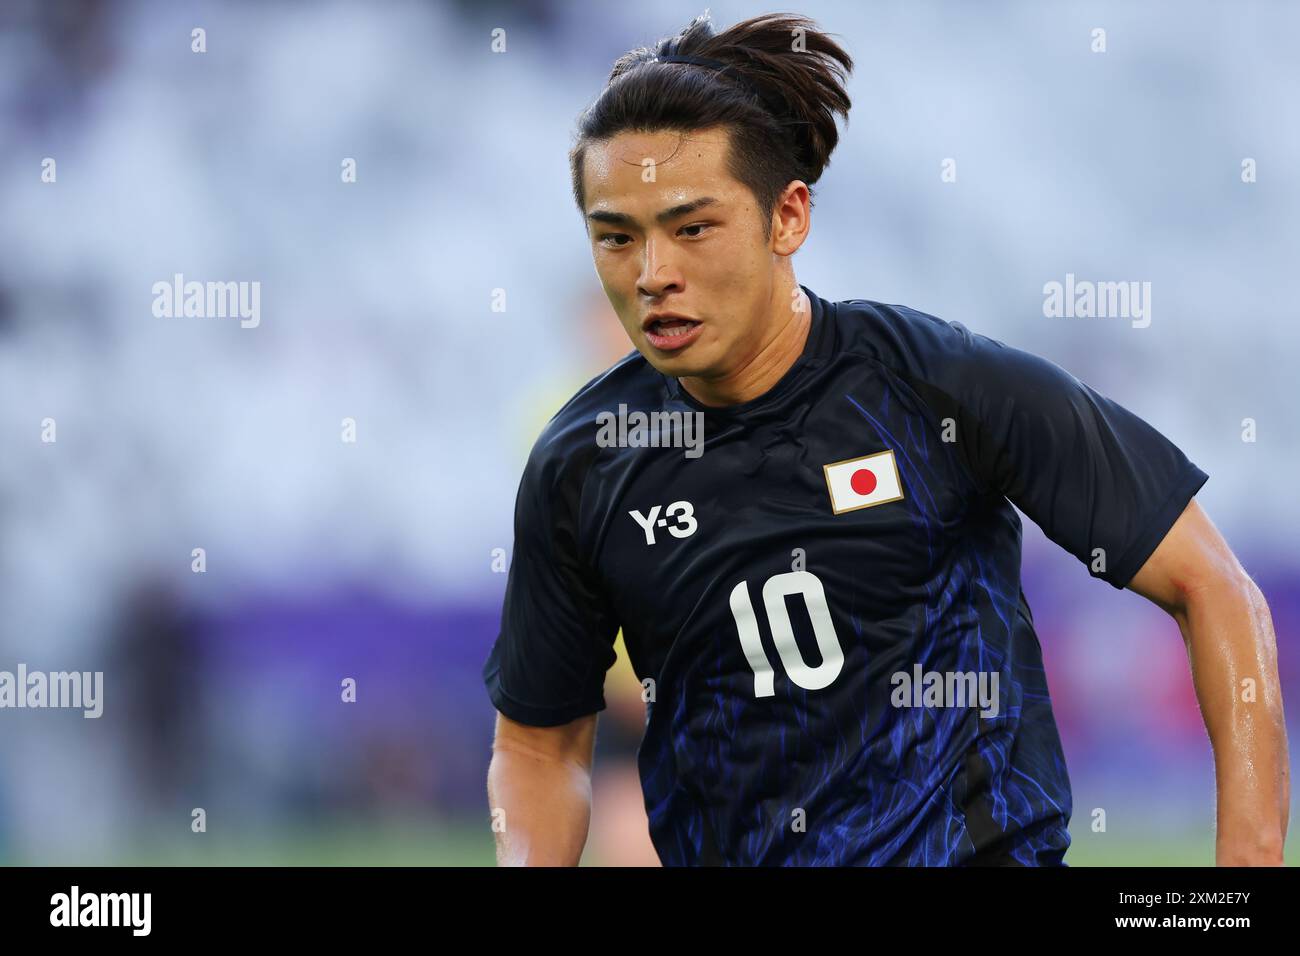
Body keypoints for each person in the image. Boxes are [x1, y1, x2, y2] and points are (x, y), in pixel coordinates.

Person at [482, 11, 1288, 866]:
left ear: (787, 217)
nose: (653, 275)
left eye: (691, 228)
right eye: (616, 237)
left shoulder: (939, 385)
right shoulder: (585, 462)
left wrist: (1242, 874)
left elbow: (1215, 587)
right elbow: (538, 744)